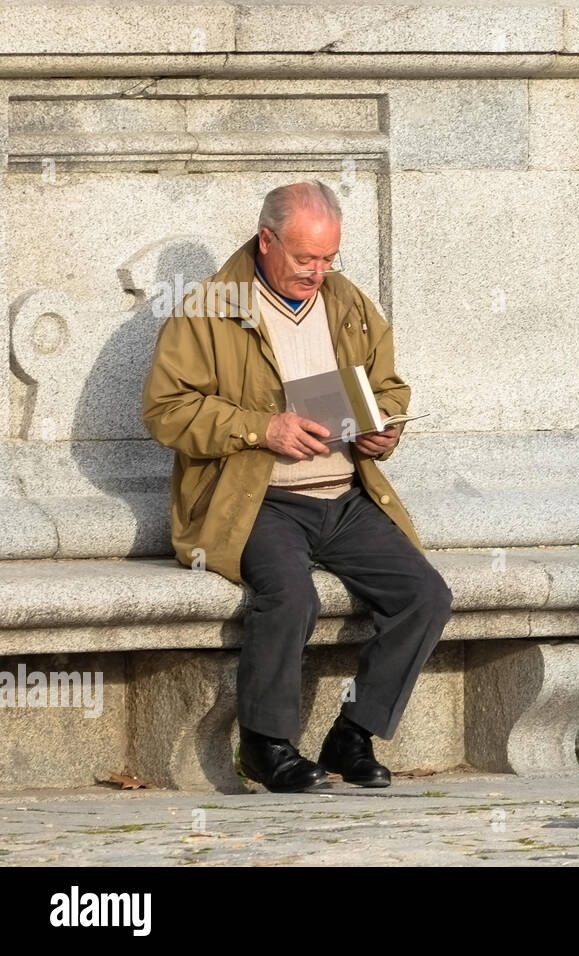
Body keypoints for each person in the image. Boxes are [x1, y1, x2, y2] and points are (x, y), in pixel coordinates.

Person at [141, 180, 452, 793]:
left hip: (344, 493)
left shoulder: (349, 304)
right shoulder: (208, 307)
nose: (318, 272)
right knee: (291, 596)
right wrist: (262, 429)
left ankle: (353, 733)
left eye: (329, 258)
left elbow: (389, 388)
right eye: (305, 258)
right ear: (266, 240)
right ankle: (265, 744)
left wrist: (380, 430)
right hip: (255, 501)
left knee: (425, 595)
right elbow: (166, 411)